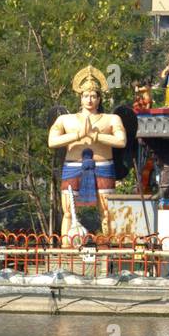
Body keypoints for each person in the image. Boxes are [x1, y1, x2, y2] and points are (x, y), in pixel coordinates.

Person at [48, 66, 127, 240]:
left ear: (99, 98)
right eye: (85, 96)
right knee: (68, 212)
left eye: (93, 96)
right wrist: (78, 135)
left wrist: (96, 135)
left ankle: (108, 251)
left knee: (106, 211)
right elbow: (52, 142)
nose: (89, 100)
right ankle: (66, 249)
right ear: (80, 97)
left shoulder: (111, 119)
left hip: (103, 166)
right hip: (73, 166)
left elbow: (121, 141)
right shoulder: (65, 120)